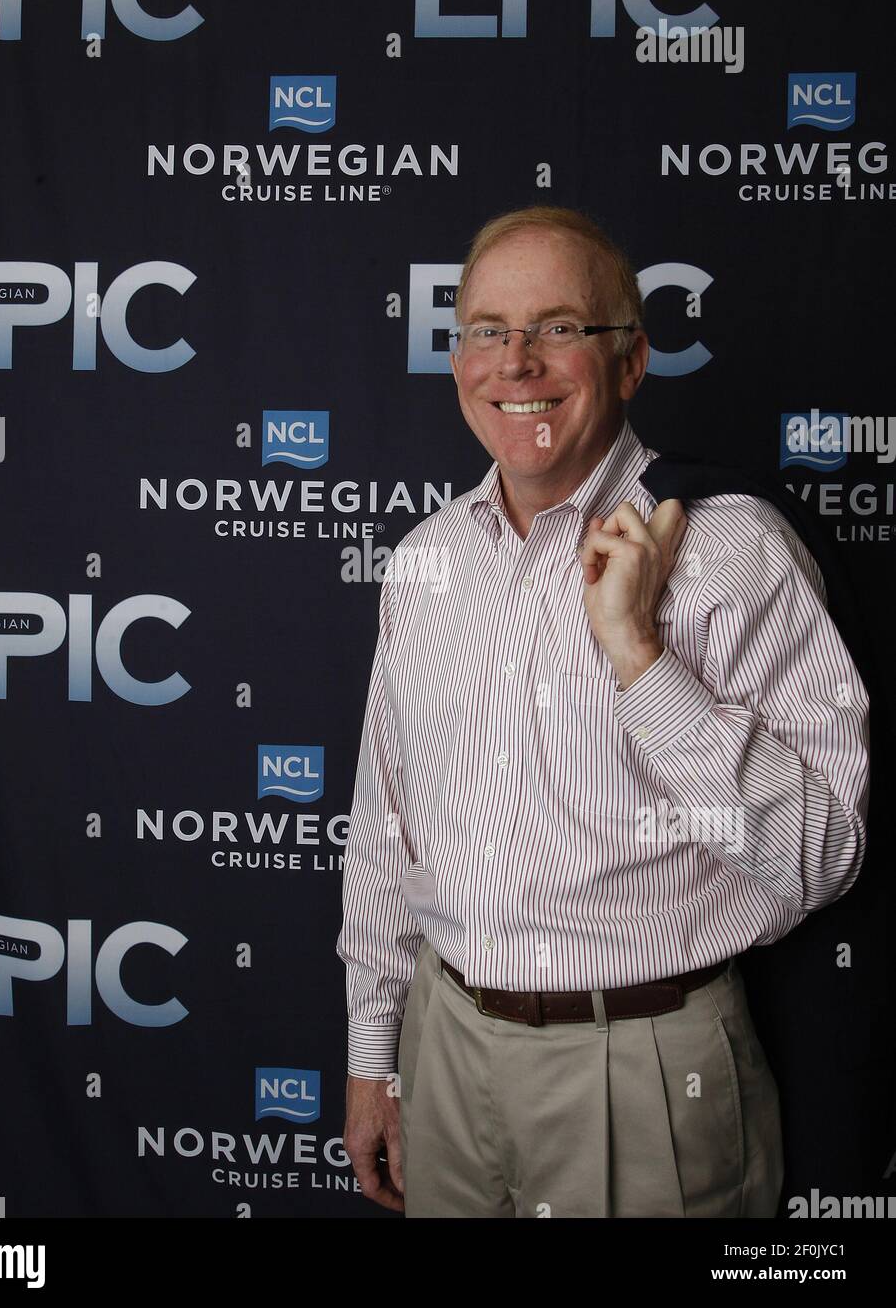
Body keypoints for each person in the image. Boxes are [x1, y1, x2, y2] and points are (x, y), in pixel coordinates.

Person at [336, 205, 870, 1218]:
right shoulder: (426, 562)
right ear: (458, 362)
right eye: (488, 330)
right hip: (443, 1054)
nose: (518, 361)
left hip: (645, 1072)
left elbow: (823, 855)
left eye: (560, 328)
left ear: (629, 362)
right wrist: (379, 1052)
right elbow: (385, 826)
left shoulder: (735, 553)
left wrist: (640, 656)